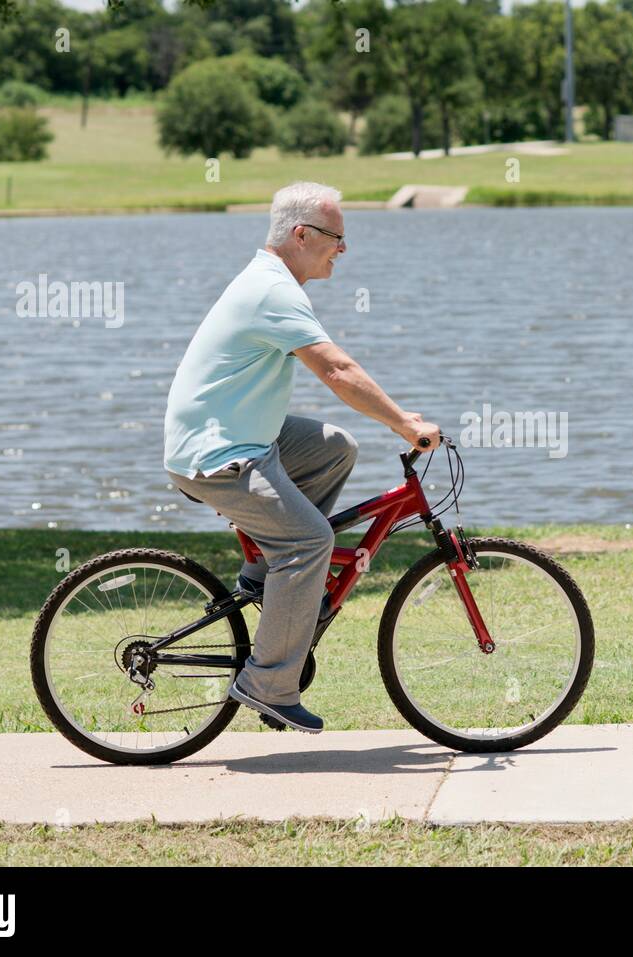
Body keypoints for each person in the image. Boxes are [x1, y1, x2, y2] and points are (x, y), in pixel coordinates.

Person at [163, 181, 440, 734]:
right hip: (218, 453)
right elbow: (336, 370)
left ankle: (267, 573)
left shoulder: (274, 282)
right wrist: (405, 423)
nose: (342, 249)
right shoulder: (274, 292)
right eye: (337, 238)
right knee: (311, 540)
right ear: (302, 235)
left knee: (336, 447)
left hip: (243, 435)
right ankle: (266, 684)